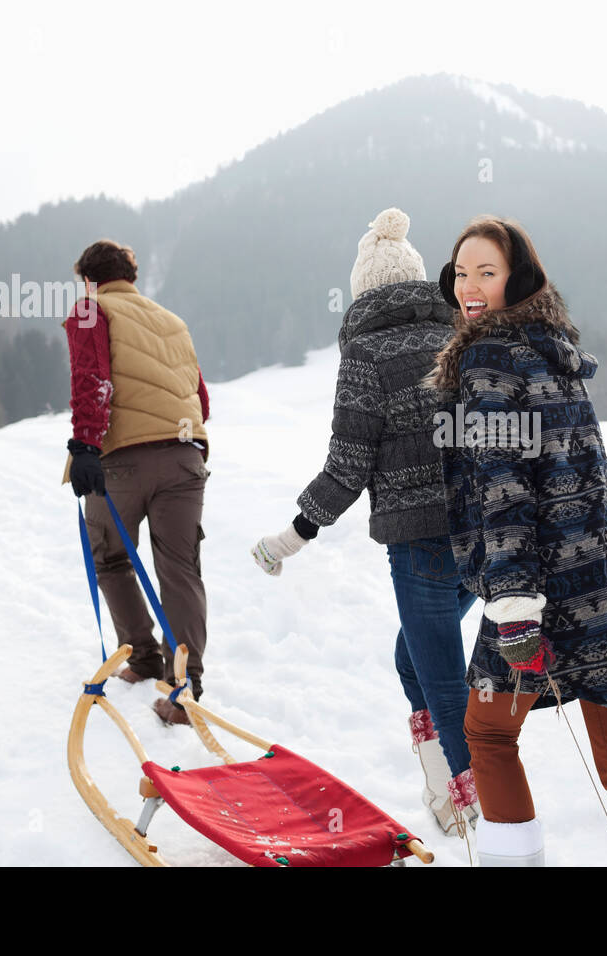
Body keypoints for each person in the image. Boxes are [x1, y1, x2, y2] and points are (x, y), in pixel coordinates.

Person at [430, 214, 607, 866]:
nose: (470, 286)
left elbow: (504, 488)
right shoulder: (550, 349)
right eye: (461, 272)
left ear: (515, 278)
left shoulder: (487, 359)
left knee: (486, 734)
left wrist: (515, 602)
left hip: (539, 590)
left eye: (486, 272)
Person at [251, 208, 482, 835]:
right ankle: (445, 790)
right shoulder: (459, 337)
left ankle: (480, 819)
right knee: (413, 660)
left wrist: (292, 535)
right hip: (482, 535)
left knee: (441, 681)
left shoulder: (366, 354)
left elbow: (348, 466)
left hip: (420, 544)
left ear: (363, 293)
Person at [63, 238, 211, 726]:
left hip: (122, 462)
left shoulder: (91, 310)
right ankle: (184, 687)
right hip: (186, 458)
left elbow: (93, 381)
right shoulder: (172, 322)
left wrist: (85, 445)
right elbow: (200, 400)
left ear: (89, 279)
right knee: (180, 568)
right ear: (133, 277)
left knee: (109, 554)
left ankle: (144, 658)